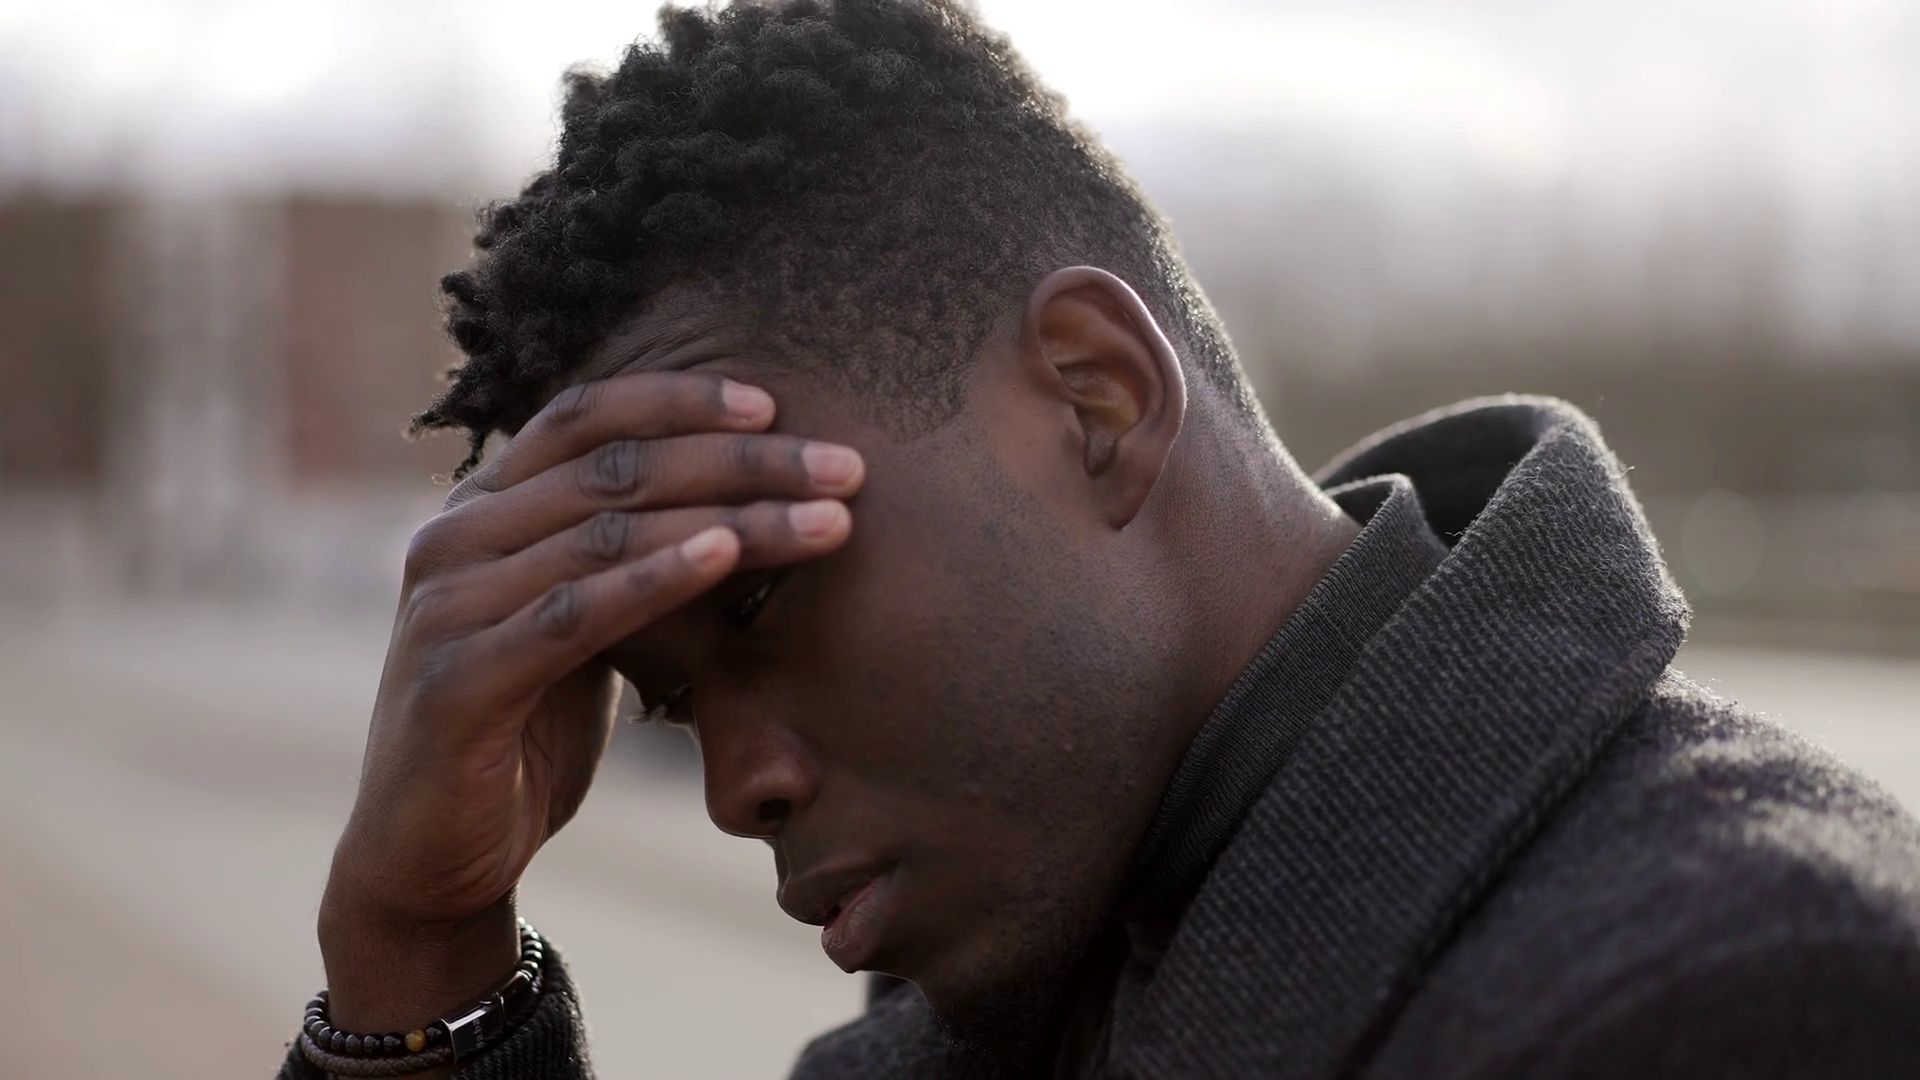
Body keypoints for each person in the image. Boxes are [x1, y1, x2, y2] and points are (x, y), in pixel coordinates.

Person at [278, 2, 1920, 1077]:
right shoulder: (943, 1046)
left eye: (764, 602)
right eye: (677, 703)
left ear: (1097, 400)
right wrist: (420, 957)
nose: (735, 792)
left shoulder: (1733, 998)